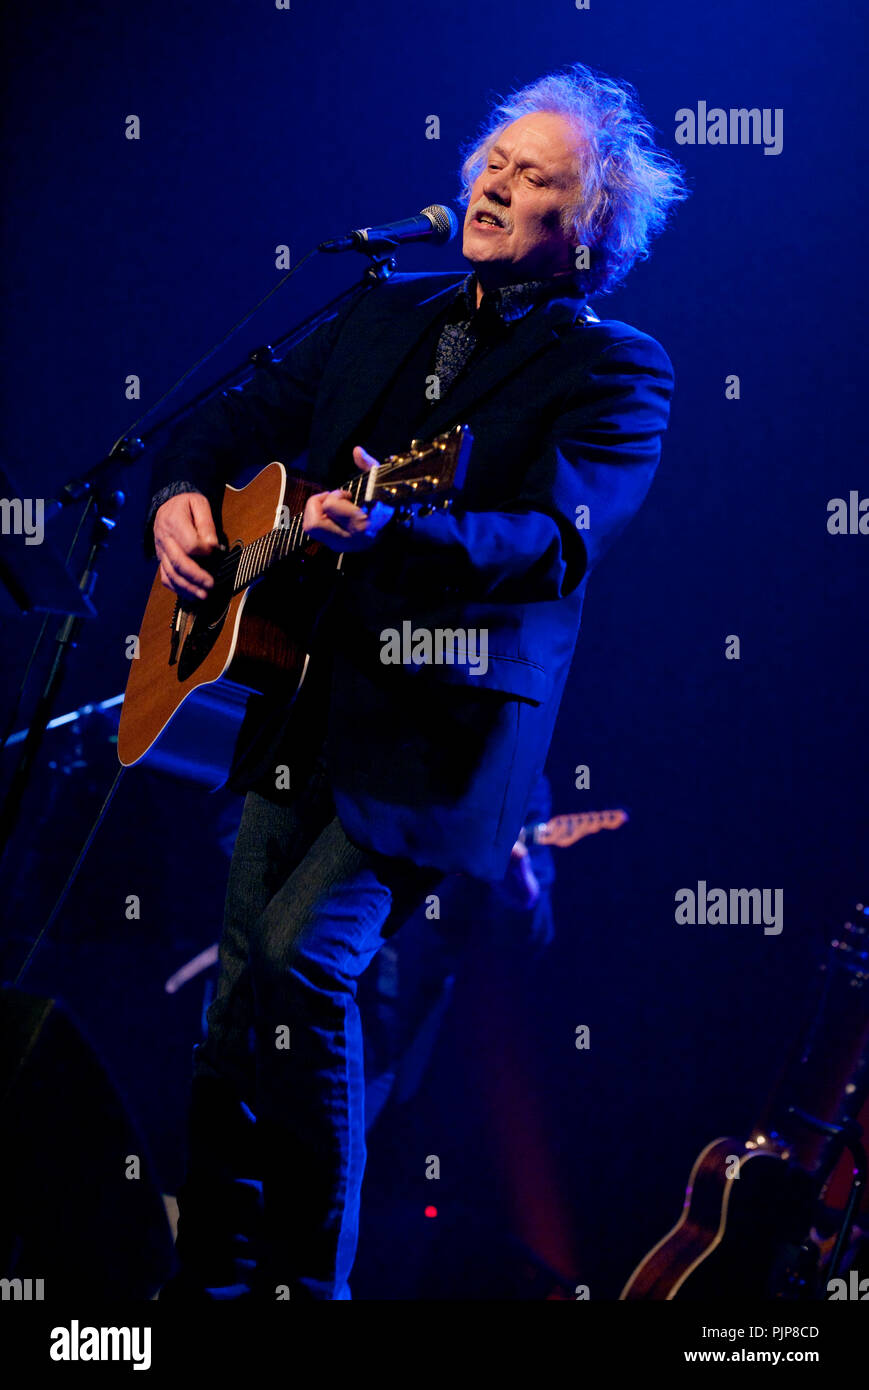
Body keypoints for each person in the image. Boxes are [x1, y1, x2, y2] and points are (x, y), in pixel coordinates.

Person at [149, 62, 686, 1301]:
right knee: (234, 1010)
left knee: (298, 962)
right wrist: (179, 494)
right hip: (305, 702)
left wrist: (392, 533)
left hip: (440, 738)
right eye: (493, 162)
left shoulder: (617, 370)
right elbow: (228, 419)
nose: (496, 185)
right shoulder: (387, 308)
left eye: (536, 178)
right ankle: (208, 1290)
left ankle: (312, 1291)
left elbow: (555, 542)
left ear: (588, 226)